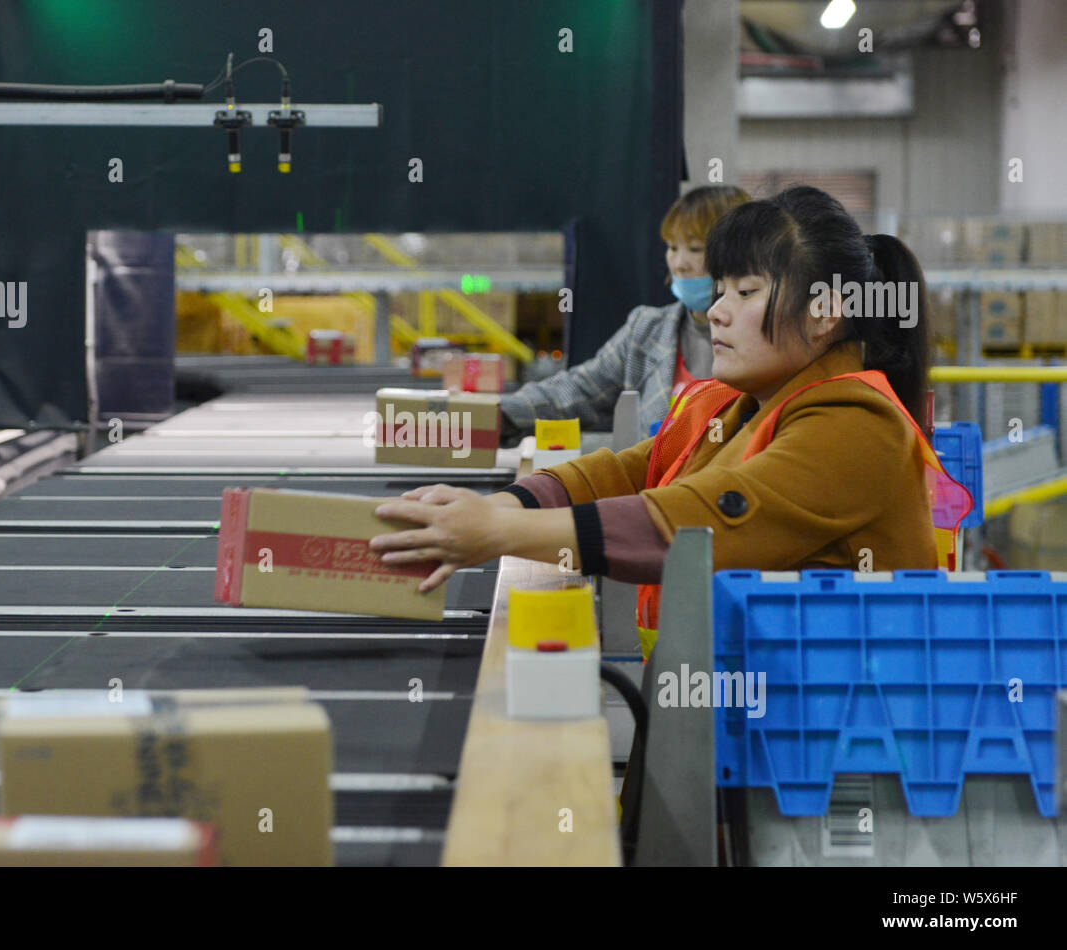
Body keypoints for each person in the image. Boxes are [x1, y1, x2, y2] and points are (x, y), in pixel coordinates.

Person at [370, 186, 971, 658]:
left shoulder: (856, 425)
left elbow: (698, 523)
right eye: (719, 290)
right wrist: (504, 506)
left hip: (830, 749)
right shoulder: (733, 406)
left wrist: (499, 536)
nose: (717, 311)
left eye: (746, 291)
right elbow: (630, 473)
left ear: (822, 314)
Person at [497, 185, 751, 445]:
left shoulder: (760, 337)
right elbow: (578, 390)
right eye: (673, 247)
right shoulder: (648, 330)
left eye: (695, 249)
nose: (679, 263)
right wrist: (496, 414)